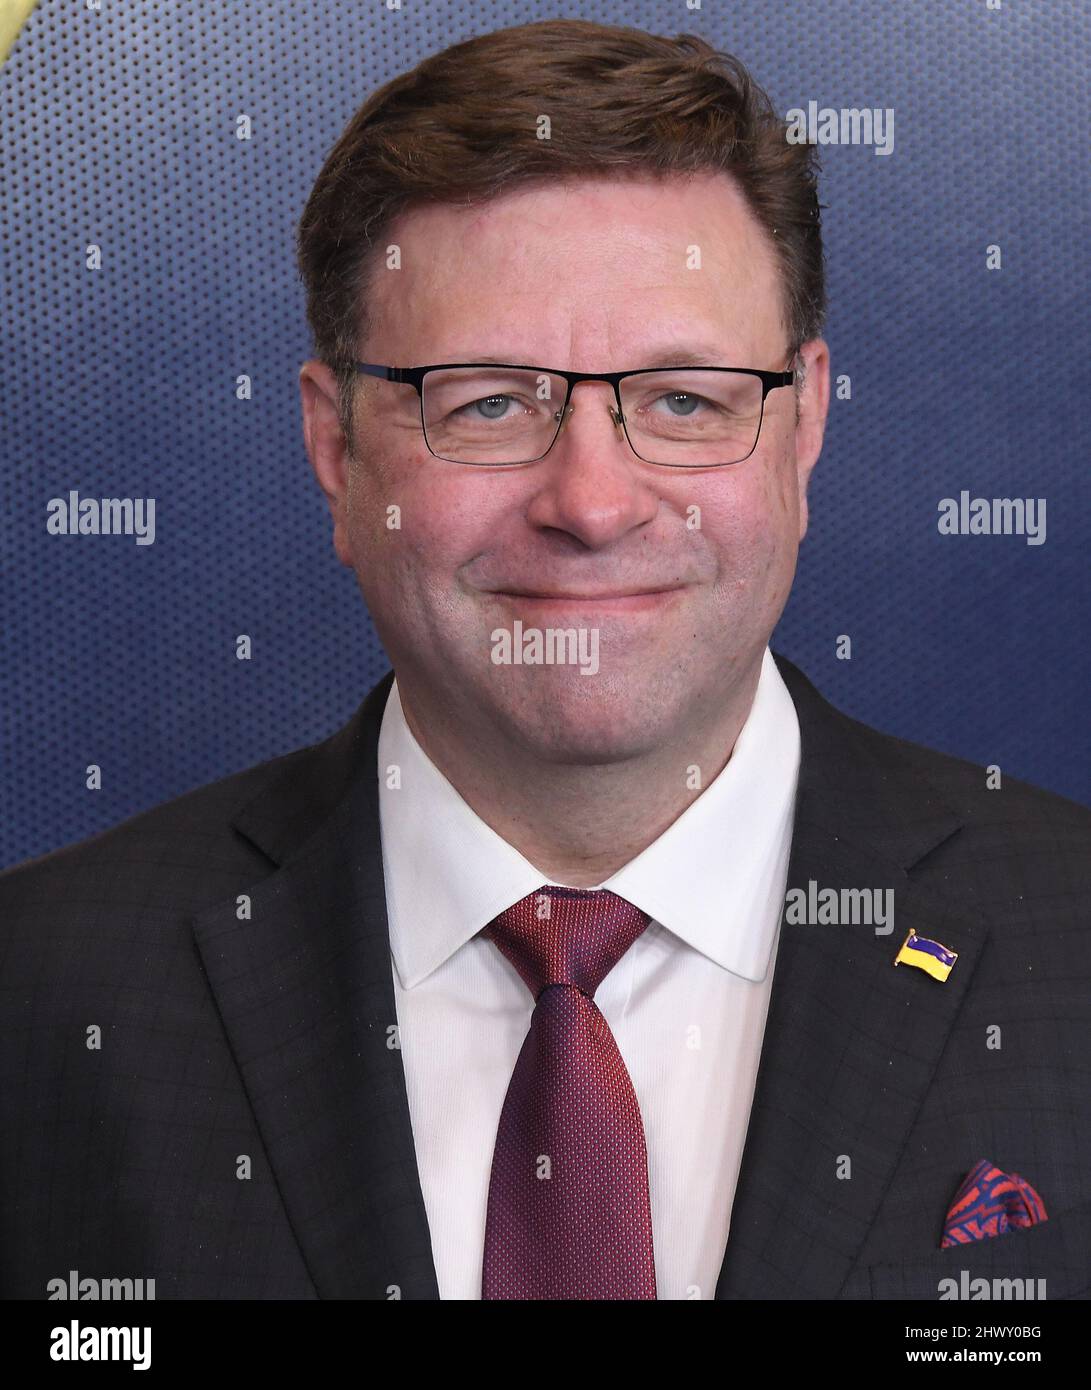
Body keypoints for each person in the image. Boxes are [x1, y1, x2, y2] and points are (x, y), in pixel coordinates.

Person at [2, 18, 1089, 1302]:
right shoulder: (41, 993)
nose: (590, 501)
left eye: (683, 399)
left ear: (800, 434)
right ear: (336, 451)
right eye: (486, 402)